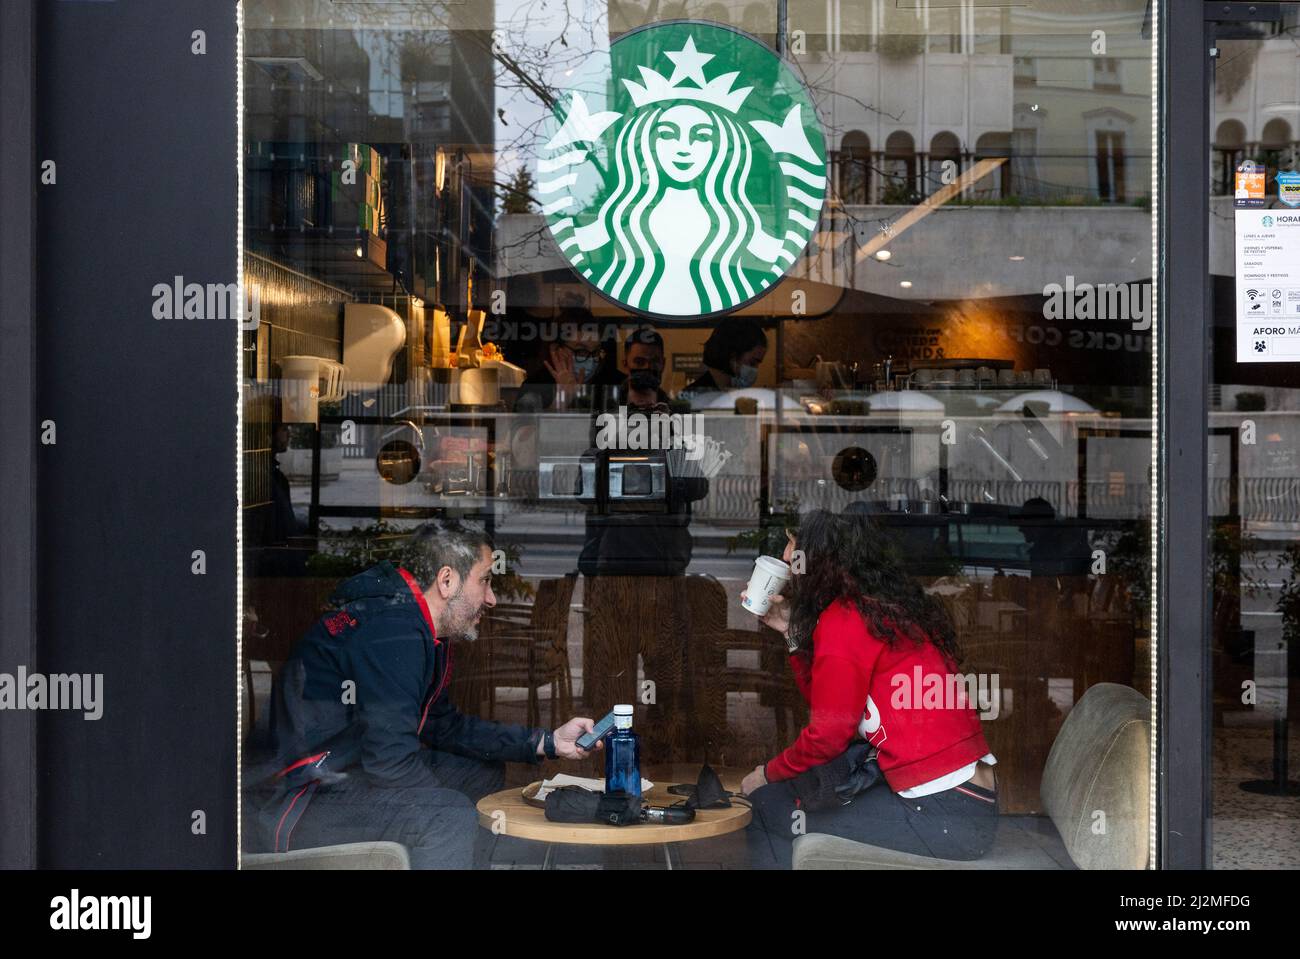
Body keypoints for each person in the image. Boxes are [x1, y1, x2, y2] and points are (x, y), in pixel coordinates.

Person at [250, 522, 602, 869]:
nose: (492, 598)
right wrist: (442, 804)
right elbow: (390, 763)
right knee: (446, 817)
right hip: (301, 799)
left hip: (344, 772)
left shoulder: (415, 624)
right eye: (485, 581)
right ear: (447, 580)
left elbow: (442, 726)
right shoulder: (393, 630)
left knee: (479, 774)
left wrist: (547, 742)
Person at [741, 509, 998, 869]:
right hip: (965, 805)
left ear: (822, 559)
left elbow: (828, 736)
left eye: (794, 545)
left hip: (946, 813)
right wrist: (792, 633)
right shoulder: (876, 607)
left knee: (769, 808)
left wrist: (767, 773)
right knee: (786, 797)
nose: (786, 555)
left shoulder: (845, 621)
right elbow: (832, 710)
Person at [682, 316, 767, 398]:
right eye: (752, 363)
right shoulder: (698, 398)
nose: (755, 371)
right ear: (733, 356)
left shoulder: (720, 395)